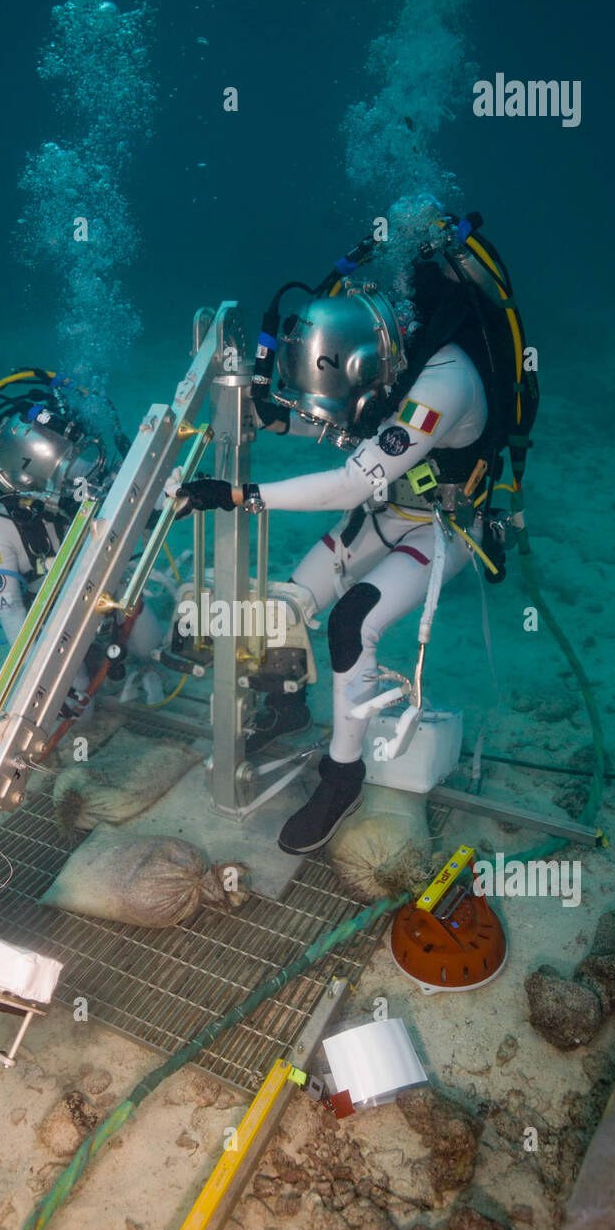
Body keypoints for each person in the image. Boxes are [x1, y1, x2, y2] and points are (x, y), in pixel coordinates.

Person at [174, 270, 492, 855]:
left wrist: (240, 495)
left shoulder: (445, 382)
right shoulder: (394, 362)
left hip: (443, 528)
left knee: (352, 624)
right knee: (286, 605)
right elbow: (353, 427)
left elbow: (350, 482)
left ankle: (343, 777)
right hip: (385, 510)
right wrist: (280, 418)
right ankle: (289, 705)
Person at [0, 409, 163, 716]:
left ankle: (112, 657)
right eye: (61, 473)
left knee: (151, 647)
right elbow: (10, 612)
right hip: (53, 619)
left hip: (104, 590)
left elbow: (134, 488)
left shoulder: (74, 471)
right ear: (28, 479)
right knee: (79, 716)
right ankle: (83, 667)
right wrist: (37, 678)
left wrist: (170, 495)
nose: (76, 477)